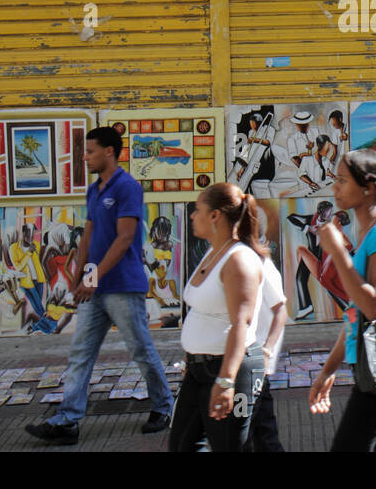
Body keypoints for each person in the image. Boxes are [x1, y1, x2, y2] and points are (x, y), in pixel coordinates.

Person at [25, 127, 173, 445]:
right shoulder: (95, 190)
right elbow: (88, 235)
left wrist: (91, 279)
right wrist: (77, 277)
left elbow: (125, 238)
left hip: (122, 286)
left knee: (140, 349)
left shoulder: (127, 187)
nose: (85, 156)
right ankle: (68, 421)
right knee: (81, 352)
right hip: (94, 288)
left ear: (109, 151)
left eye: (90, 151)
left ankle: (164, 406)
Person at [308, 149, 376, 452]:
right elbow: (356, 312)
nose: (335, 187)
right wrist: (329, 369)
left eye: (342, 180)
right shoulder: (369, 234)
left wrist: (337, 252)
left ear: (367, 188)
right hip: (373, 363)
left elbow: (373, 305)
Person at [169, 183, 265, 452]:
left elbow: (241, 324)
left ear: (215, 216)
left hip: (229, 370)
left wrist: (225, 381)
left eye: (198, 209)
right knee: (181, 445)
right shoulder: (213, 253)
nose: (191, 215)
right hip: (199, 370)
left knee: (229, 446)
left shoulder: (239, 260)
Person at [249, 238, 288, 452]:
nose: (193, 216)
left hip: (249, 366)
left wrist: (266, 351)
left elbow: (280, 311)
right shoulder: (218, 256)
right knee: (257, 429)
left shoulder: (259, 263)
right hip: (241, 366)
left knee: (253, 429)